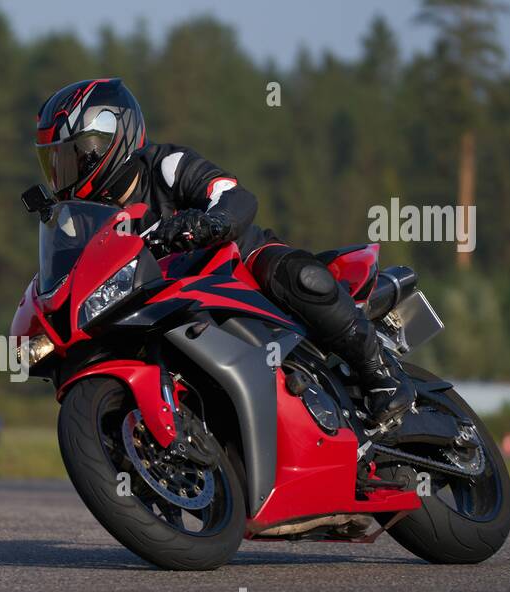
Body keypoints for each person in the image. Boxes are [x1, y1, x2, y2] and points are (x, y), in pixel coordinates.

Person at [33, 78, 413, 424]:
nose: (63, 173)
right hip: (159, 302)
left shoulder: (167, 165)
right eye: (54, 162)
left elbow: (232, 196)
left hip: (233, 264)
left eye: (73, 155)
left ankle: (381, 377)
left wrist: (208, 223)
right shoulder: (82, 220)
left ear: (111, 139)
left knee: (301, 276)